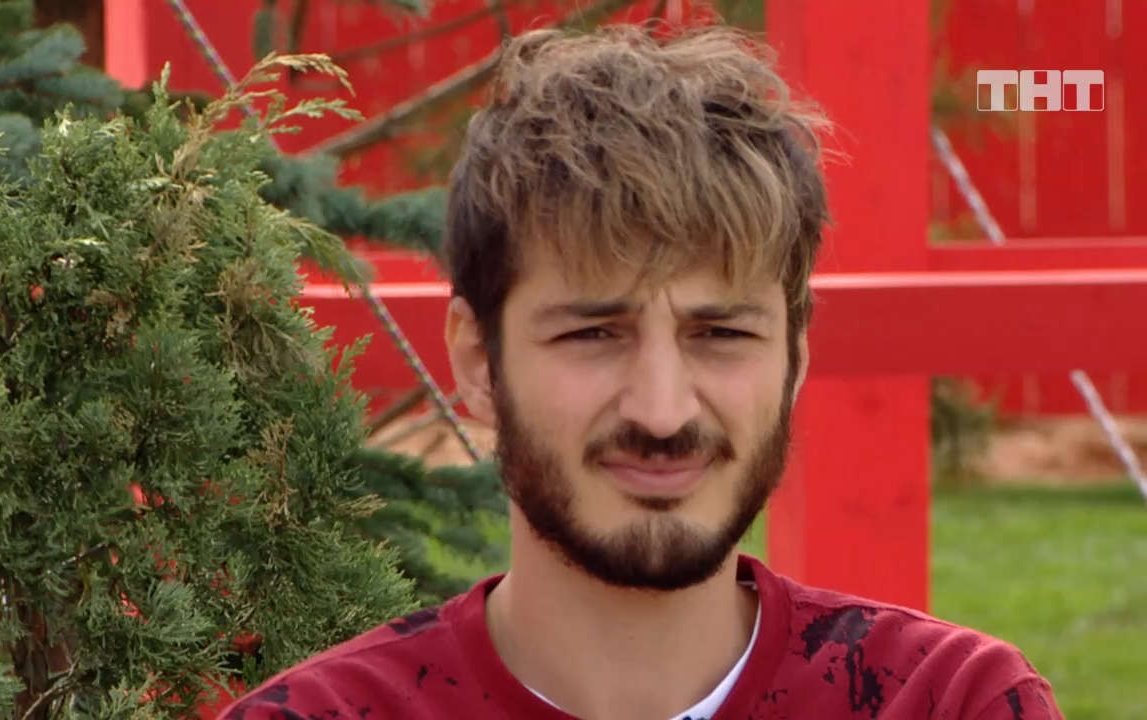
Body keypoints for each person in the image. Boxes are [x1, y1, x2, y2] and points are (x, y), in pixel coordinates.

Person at [218, 22, 1063, 720]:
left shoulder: (949, 702)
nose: (663, 412)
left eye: (721, 333)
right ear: (478, 361)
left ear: (796, 355)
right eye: (594, 333)